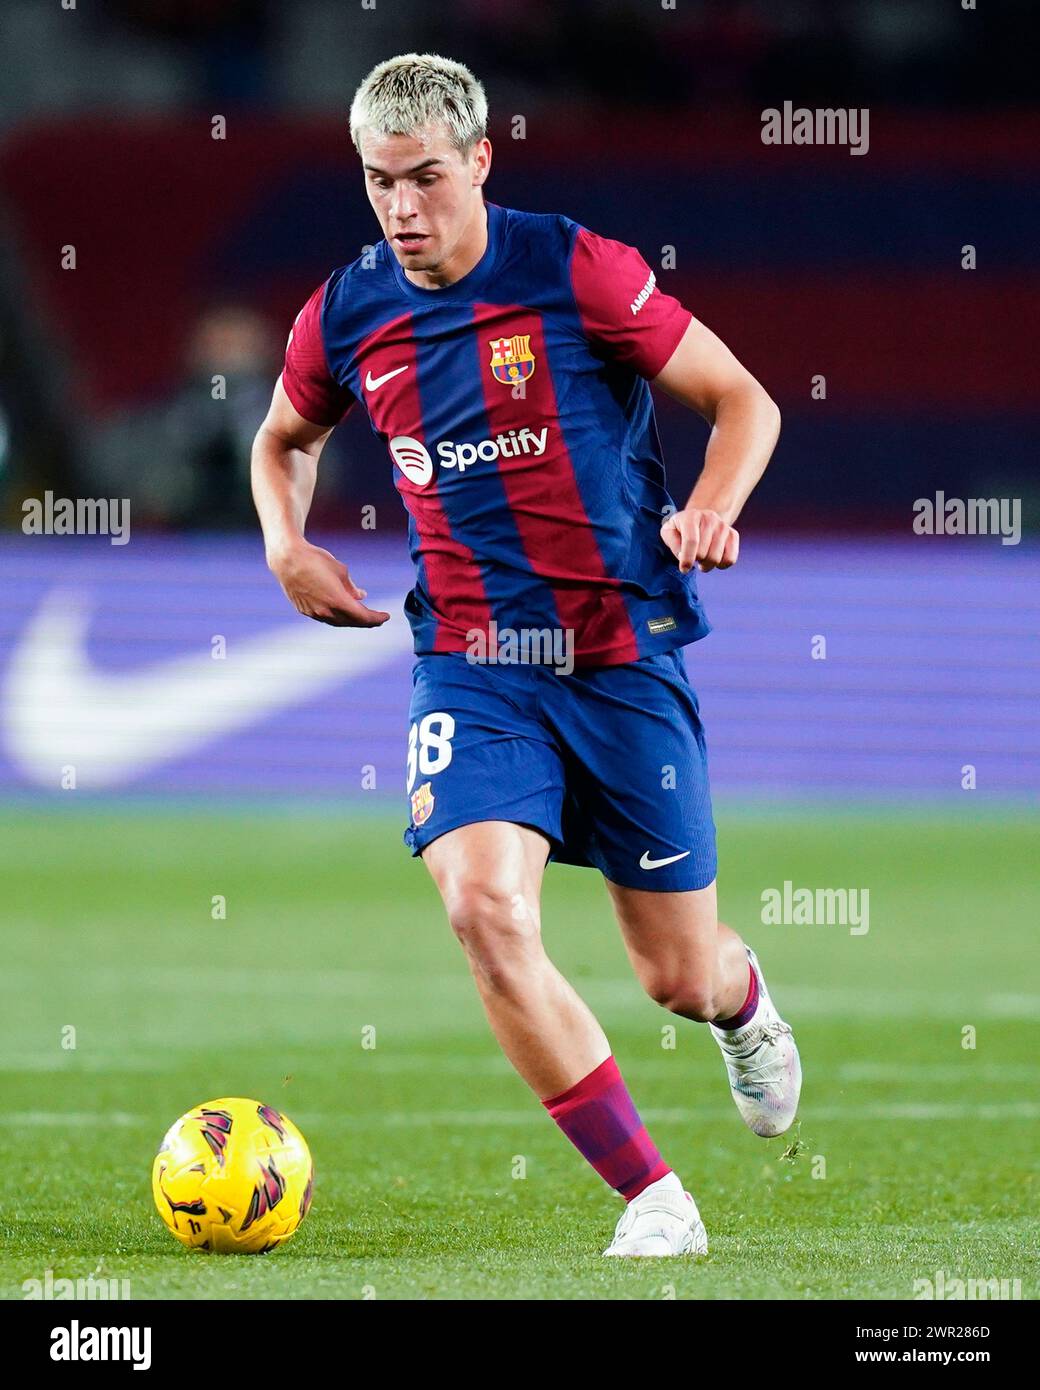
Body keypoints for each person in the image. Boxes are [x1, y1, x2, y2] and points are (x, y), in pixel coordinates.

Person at [251, 52, 800, 1257]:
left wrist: (711, 505)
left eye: (426, 179)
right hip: (468, 659)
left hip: (618, 655)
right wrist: (285, 544)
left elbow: (743, 399)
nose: (401, 209)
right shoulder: (346, 310)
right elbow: (281, 435)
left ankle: (740, 1002)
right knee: (483, 910)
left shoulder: (572, 267)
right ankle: (654, 1197)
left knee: (674, 975)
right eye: (378, 182)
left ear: (481, 160)